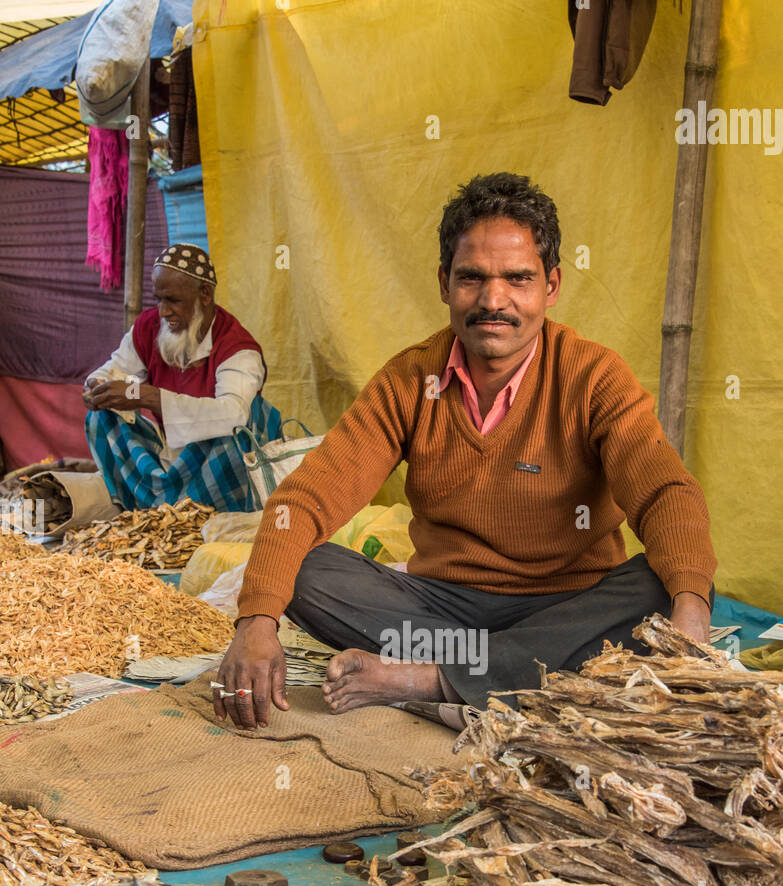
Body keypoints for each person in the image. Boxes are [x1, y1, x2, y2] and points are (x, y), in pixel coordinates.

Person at [214, 173, 716, 731]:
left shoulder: (593, 376)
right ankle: (515, 669)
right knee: (303, 570)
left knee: (665, 584)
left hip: (567, 604)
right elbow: (307, 497)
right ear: (444, 282)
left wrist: (690, 612)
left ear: (551, 286)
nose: (493, 300)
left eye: (517, 279)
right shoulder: (411, 379)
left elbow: (664, 490)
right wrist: (256, 620)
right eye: (472, 277)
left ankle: (429, 679)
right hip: (440, 612)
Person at [83, 243, 282, 510]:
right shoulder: (149, 326)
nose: (164, 312)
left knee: (245, 419)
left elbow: (233, 414)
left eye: (173, 300)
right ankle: (144, 506)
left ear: (205, 294)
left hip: (216, 462)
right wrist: (99, 387)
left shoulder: (237, 348)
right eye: (159, 299)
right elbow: (117, 371)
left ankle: (202, 509)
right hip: (168, 456)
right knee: (101, 416)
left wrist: (149, 396)